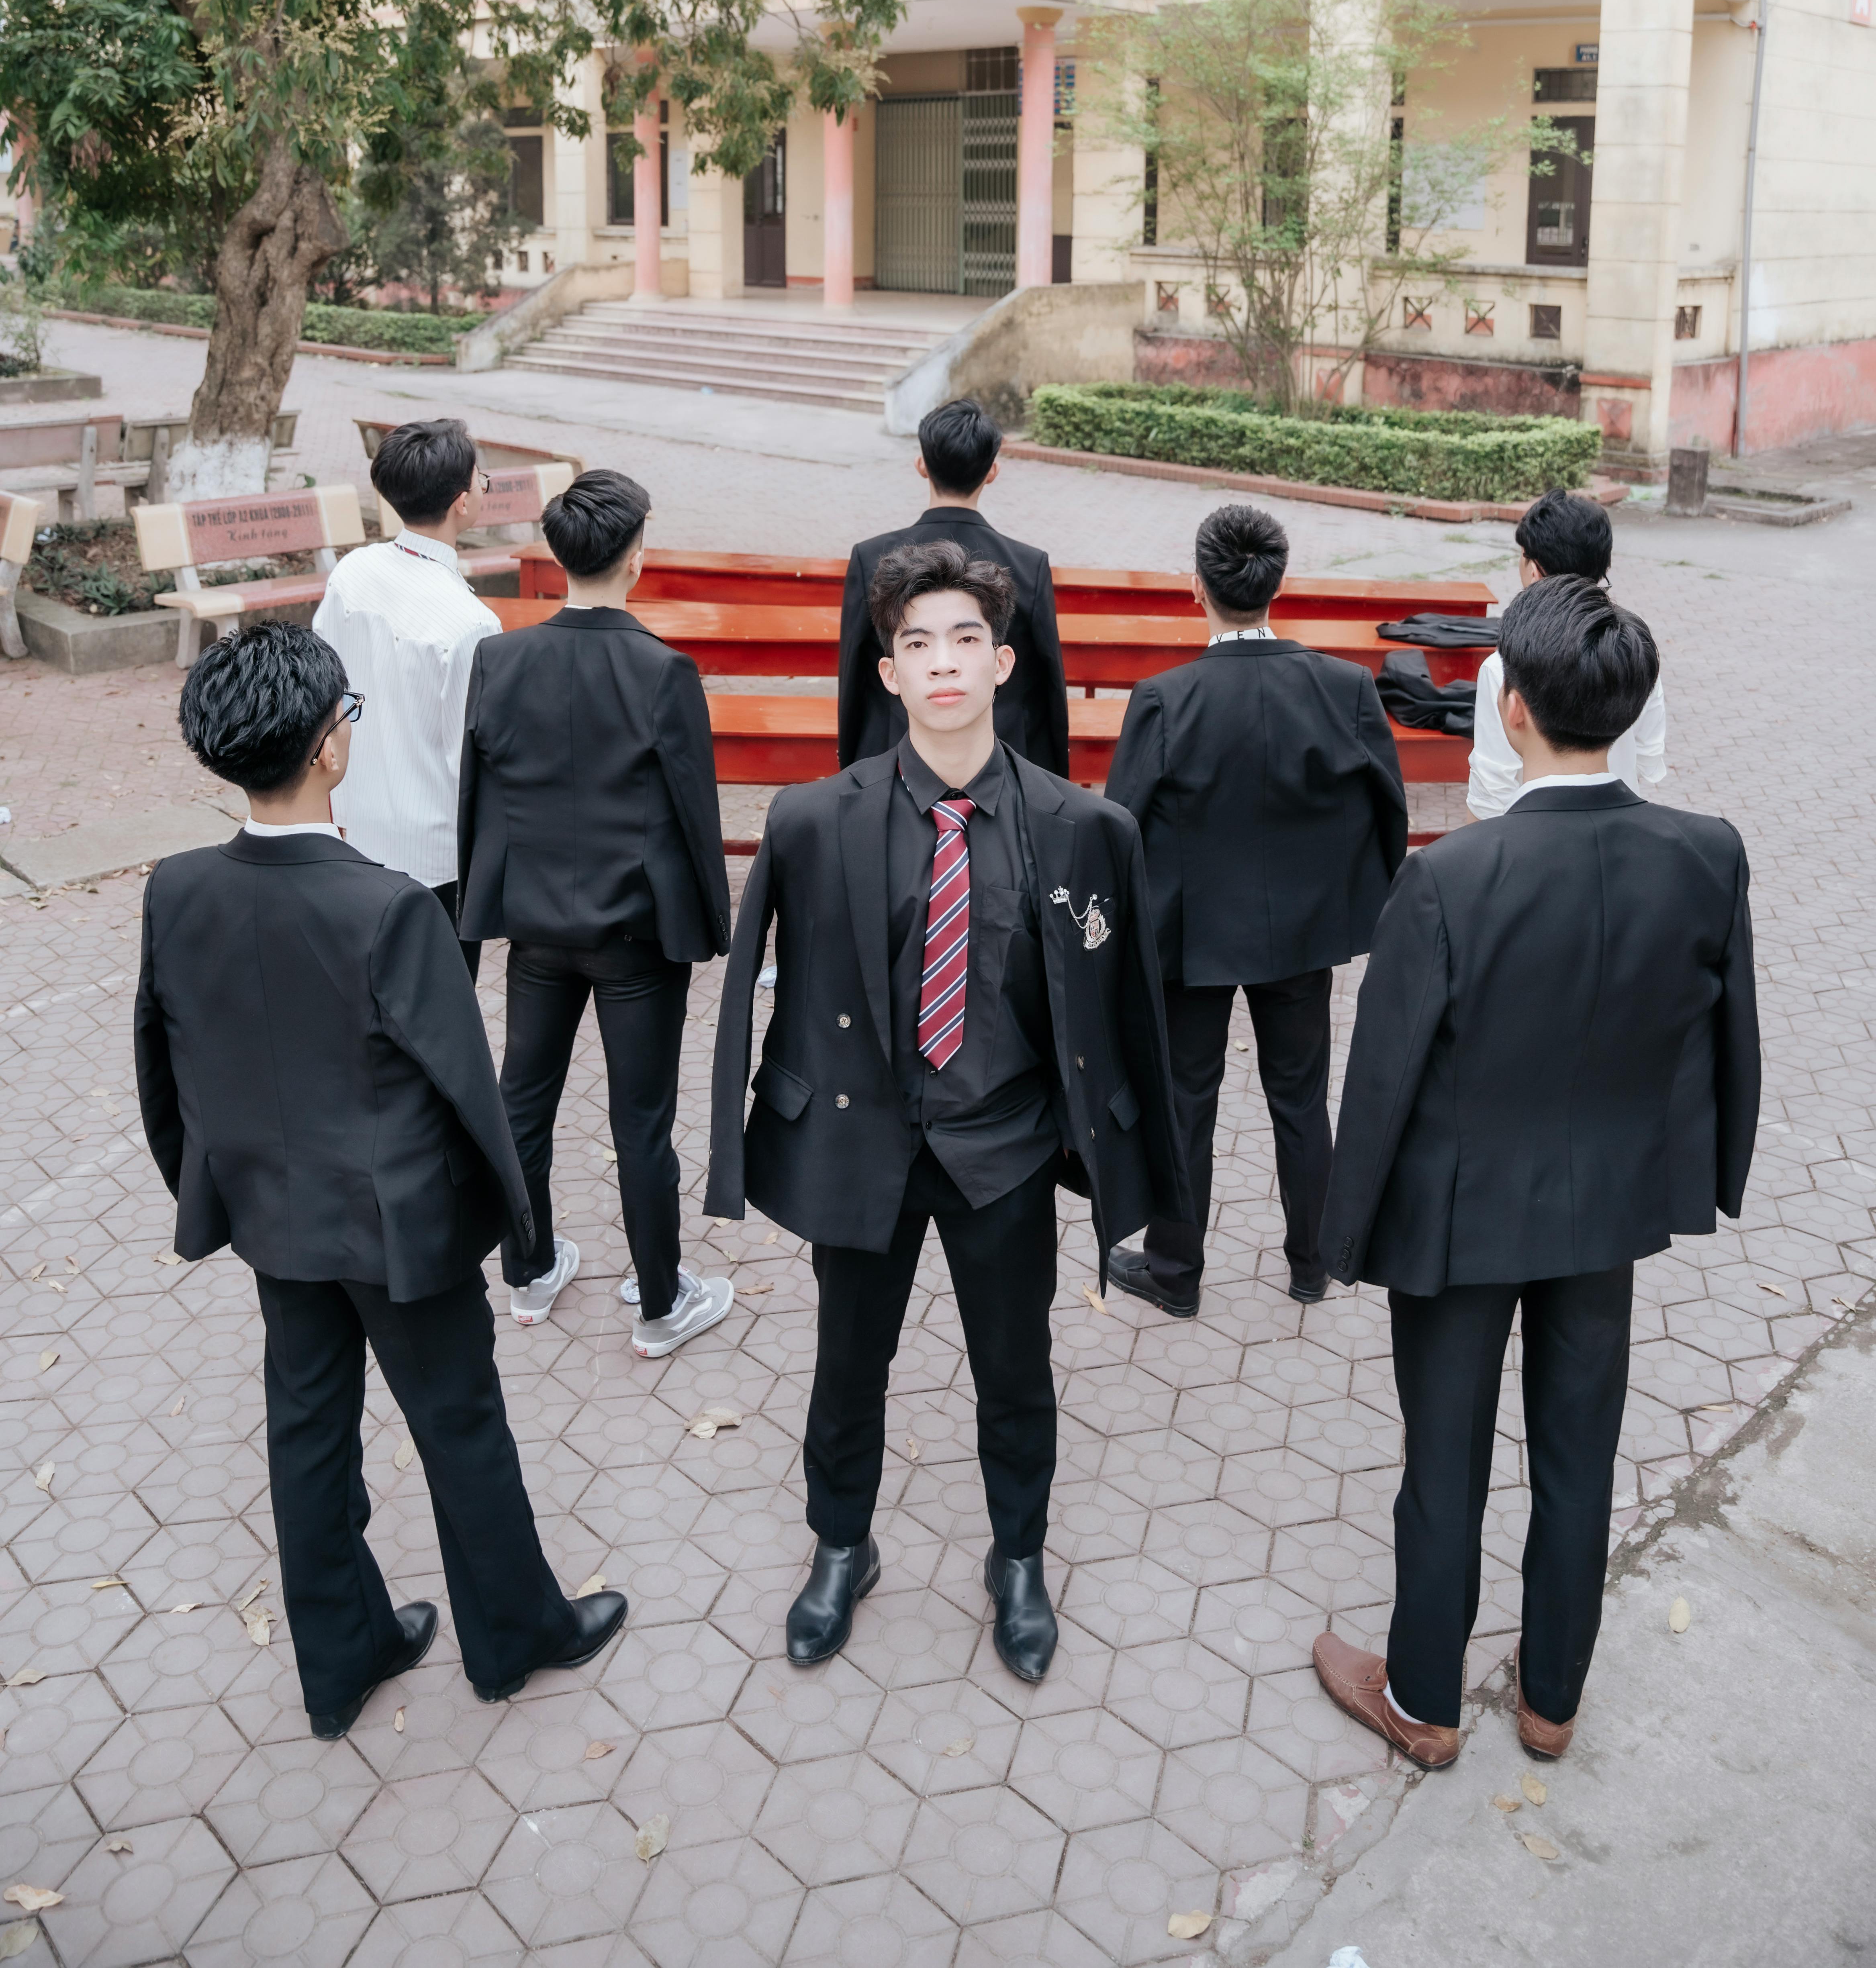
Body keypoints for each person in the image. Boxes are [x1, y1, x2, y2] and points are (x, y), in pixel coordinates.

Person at [134, 623, 626, 1739]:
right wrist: (512, 1225)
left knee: (306, 1428)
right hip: (400, 1227)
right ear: (327, 746)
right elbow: (468, 1089)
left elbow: (162, 1060)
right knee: (458, 1423)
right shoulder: (390, 906)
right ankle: (515, 1634)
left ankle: (341, 1656)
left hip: (268, 1210)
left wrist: (206, 1185)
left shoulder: (177, 888)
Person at [707, 541, 1187, 1680]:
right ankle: (840, 1543)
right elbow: (747, 1001)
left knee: (1014, 1368)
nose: (941, 662)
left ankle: (1015, 1556)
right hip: (862, 1145)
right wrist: (755, 1137)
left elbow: (1121, 1007)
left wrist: (1128, 1155)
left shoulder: (1079, 826)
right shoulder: (813, 820)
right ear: (886, 672)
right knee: (845, 1365)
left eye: (963, 638)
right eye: (915, 642)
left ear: (1003, 661)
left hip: (1004, 1149)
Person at [1311, 574, 1758, 1771]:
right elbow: (1728, 1035)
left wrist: (1339, 1238)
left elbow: (1381, 1077)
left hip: (1457, 1223)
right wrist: (1707, 1173)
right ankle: (1550, 1697)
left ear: (1504, 707)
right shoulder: (1703, 853)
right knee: (1577, 1451)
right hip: (1606, 1208)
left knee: (1442, 1461)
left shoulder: (1450, 877)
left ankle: (1421, 1698)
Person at [1104, 501, 1407, 1317]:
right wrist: (1355, 904)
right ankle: (1315, 1261)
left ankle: (1175, 1270)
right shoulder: (1344, 686)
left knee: (1185, 1101)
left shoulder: (1166, 698)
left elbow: (1120, 822)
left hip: (1192, 934)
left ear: (1197, 587)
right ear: (1279, 583)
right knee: (1301, 1096)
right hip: (1304, 930)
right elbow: (1387, 805)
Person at [458, 467, 735, 1354]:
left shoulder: (500, 656)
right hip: (634, 934)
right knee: (641, 1118)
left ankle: (529, 1267)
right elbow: (696, 815)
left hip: (534, 924)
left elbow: (482, 794)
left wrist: (483, 900)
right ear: (636, 555)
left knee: (522, 1100)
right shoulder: (662, 669)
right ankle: (660, 1300)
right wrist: (711, 930)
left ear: (558, 552)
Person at [313, 416, 499, 966]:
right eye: (481, 476)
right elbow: (470, 757)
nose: (485, 484)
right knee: (437, 1013)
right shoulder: (471, 622)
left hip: (353, 826)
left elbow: (328, 691)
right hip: (435, 853)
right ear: (462, 502)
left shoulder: (353, 572)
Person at [837, 400, 1070, 776]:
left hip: (891, 756)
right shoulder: (1029, 564)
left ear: (921, 466)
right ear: (992, 471)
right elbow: (1048, 688)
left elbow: (853, 679)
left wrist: (850, 767)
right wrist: (1054, 778)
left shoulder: (870, 557)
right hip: (1004, 757)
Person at [1468, 486, 1666, 818]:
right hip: (1623, 831)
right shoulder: (1632, 649)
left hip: (1530, 843)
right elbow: (1648, 759)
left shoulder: (1504, 668)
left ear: (1534, 570)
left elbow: (1490, 793)